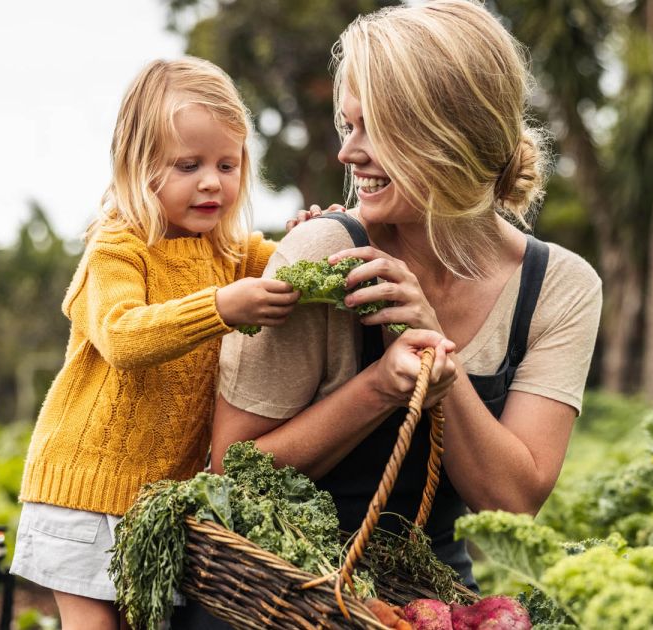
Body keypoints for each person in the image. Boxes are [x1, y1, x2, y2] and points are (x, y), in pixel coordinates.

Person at [210, 0, 602, 599]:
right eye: (348, 125)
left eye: (374, 128)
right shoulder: (322, 254)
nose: (347, 152)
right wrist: (378, 389)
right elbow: (229, 476)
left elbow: (513, 504)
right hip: (272, 593)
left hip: (425, 596)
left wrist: (436, 362)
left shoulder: (559, 288)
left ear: (446, 134)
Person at [10, 57, 301, 629]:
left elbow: (296, 266)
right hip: (86, 491)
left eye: (227, 163)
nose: (212, 181)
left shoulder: (234, 252)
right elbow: (122, 335)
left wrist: (318, 230)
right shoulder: (118, 248)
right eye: (188, 165)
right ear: (139, 168)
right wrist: (220, 307)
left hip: (156, 507)